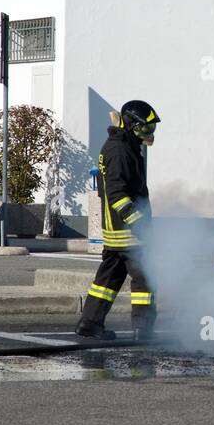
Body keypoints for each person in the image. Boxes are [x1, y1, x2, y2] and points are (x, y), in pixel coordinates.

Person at [76, 100, 162, 342]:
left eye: (152, 128)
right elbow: (116, 194)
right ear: (131, 125)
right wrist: (138, 224)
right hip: (128, 232)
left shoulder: (124, 145)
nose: (149, 133)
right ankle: (143, 330)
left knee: (107, 280)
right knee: (146, 277)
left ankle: (89, 323)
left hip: (117, 230)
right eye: (145, 128)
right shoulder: (120, 151)